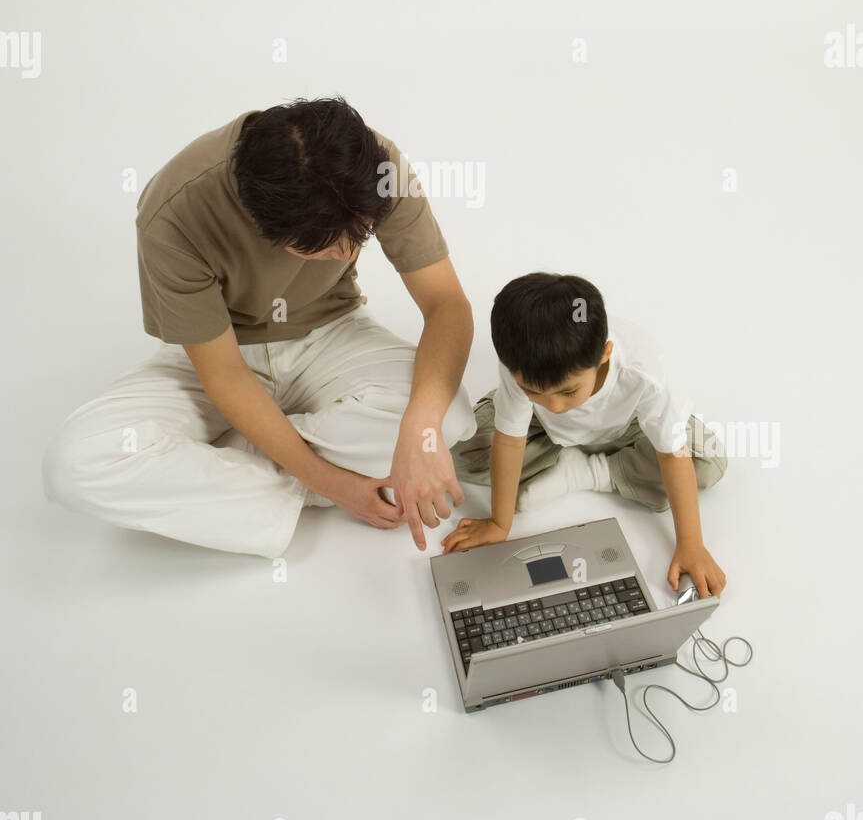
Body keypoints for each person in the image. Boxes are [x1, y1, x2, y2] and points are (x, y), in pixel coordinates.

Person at [42, 97, 476, 558]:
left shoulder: (371, 167)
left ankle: (222, 462)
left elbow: (446, 303)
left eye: (360, 234)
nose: (349, 255)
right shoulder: (175, 210)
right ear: (263, 226)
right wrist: (334, 484)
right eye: (326, 247)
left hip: (331, 332)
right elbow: (225, 375)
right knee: (74, 465)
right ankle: (306, 474)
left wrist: (421, 429)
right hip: (221, 356)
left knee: (449, 419)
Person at [445, 273, 727, 597]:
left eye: (568, 391)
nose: (555, 405)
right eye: (533, 390)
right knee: (456, 451)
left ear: (604, 355)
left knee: (706, 462)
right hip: (543, 430)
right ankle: (572, 455)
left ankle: (591, 473)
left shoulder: (643, 372)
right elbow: (509, 440)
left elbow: (671, 453)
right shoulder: (522, 363)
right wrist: (499, 523)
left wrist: (691, 544)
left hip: (629, 429)